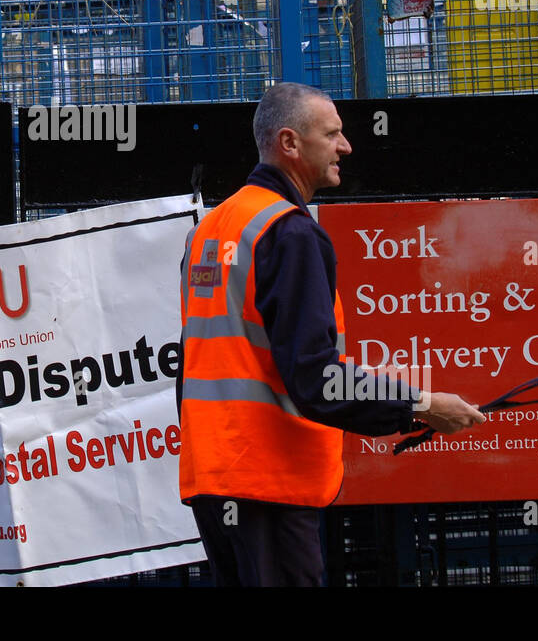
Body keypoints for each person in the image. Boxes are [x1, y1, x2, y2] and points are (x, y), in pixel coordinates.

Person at [177, 82, 486, 586]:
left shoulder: (211, 228)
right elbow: (316, 377)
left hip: (214, 475)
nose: (346, 146)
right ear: (290, 143)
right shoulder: (289, 232)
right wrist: (420, 404)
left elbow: (200, 359)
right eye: (333, 133)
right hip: (267, 477)